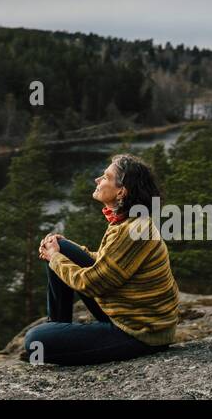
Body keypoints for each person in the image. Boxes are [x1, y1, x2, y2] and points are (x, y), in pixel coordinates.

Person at [21, 153, 180, 365]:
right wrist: (63, 250)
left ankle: (54, 337)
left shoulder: (133, 230)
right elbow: (108, 263)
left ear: (121, 191)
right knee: (63, 248)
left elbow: (92, 283)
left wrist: (55, 258)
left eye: (105, 177)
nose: (98, 180)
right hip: (130, 315)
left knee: (34, 342)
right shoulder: (131, 222)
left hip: (140, 333)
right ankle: (58, 330)